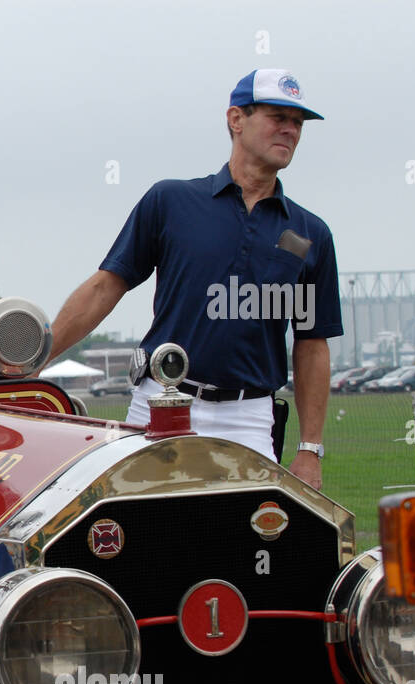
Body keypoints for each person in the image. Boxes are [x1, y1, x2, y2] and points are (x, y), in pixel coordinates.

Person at [49, 68, 341, 489]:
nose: (290, 130)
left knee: (243, 547)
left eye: (298, 123)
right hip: (160, 403)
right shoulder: (171, 201)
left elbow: (313, 344)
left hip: (249, 419)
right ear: (236, 119)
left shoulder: (309, 234)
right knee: (136, 539)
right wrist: (33, 360)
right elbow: (105, 287)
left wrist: (310, 450)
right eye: (278, 116)